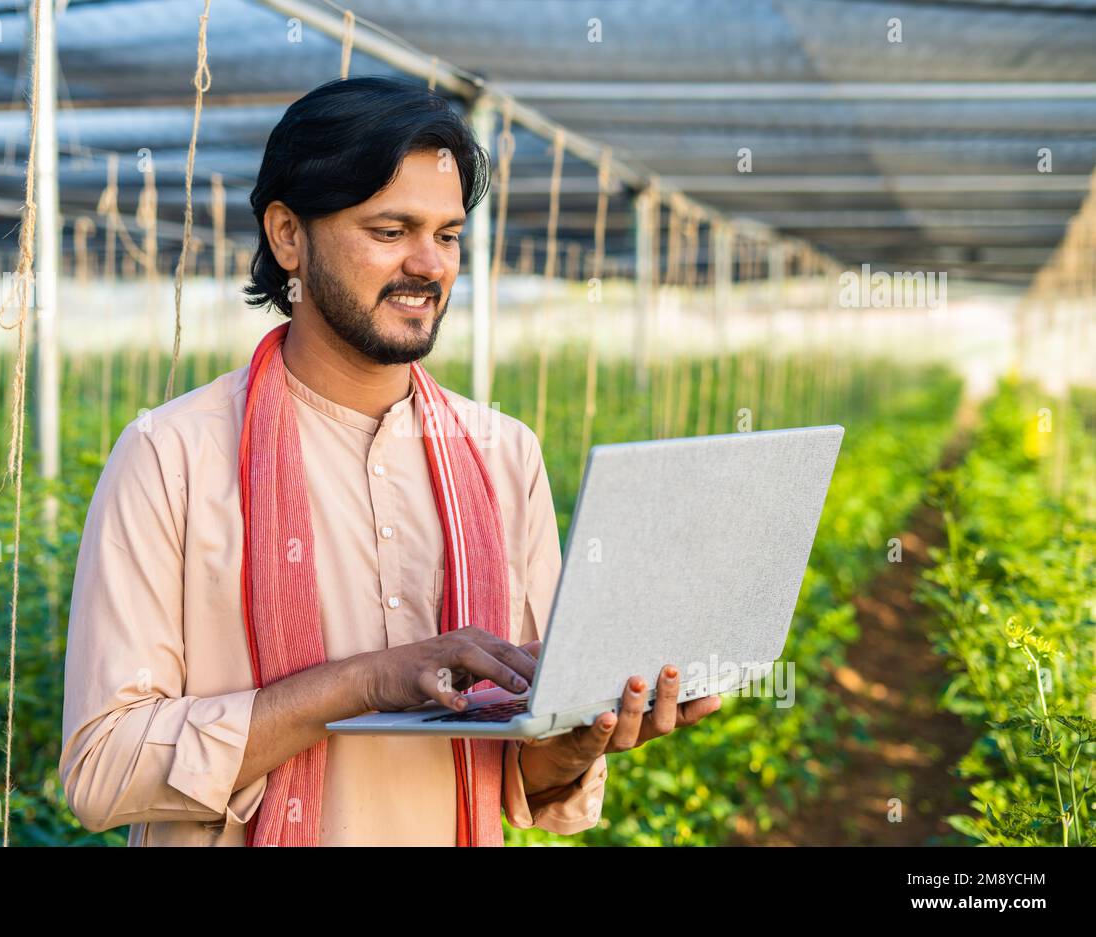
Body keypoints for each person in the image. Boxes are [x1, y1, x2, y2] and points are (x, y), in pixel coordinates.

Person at [59, 75, 721, 847]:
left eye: (446, 235)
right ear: (287, 235)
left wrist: (583, 737)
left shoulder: (503, 454)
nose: (429, 264)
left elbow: (522, 764)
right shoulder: (172, 455)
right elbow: (103, 771)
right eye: (390, 230)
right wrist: (365, 679)